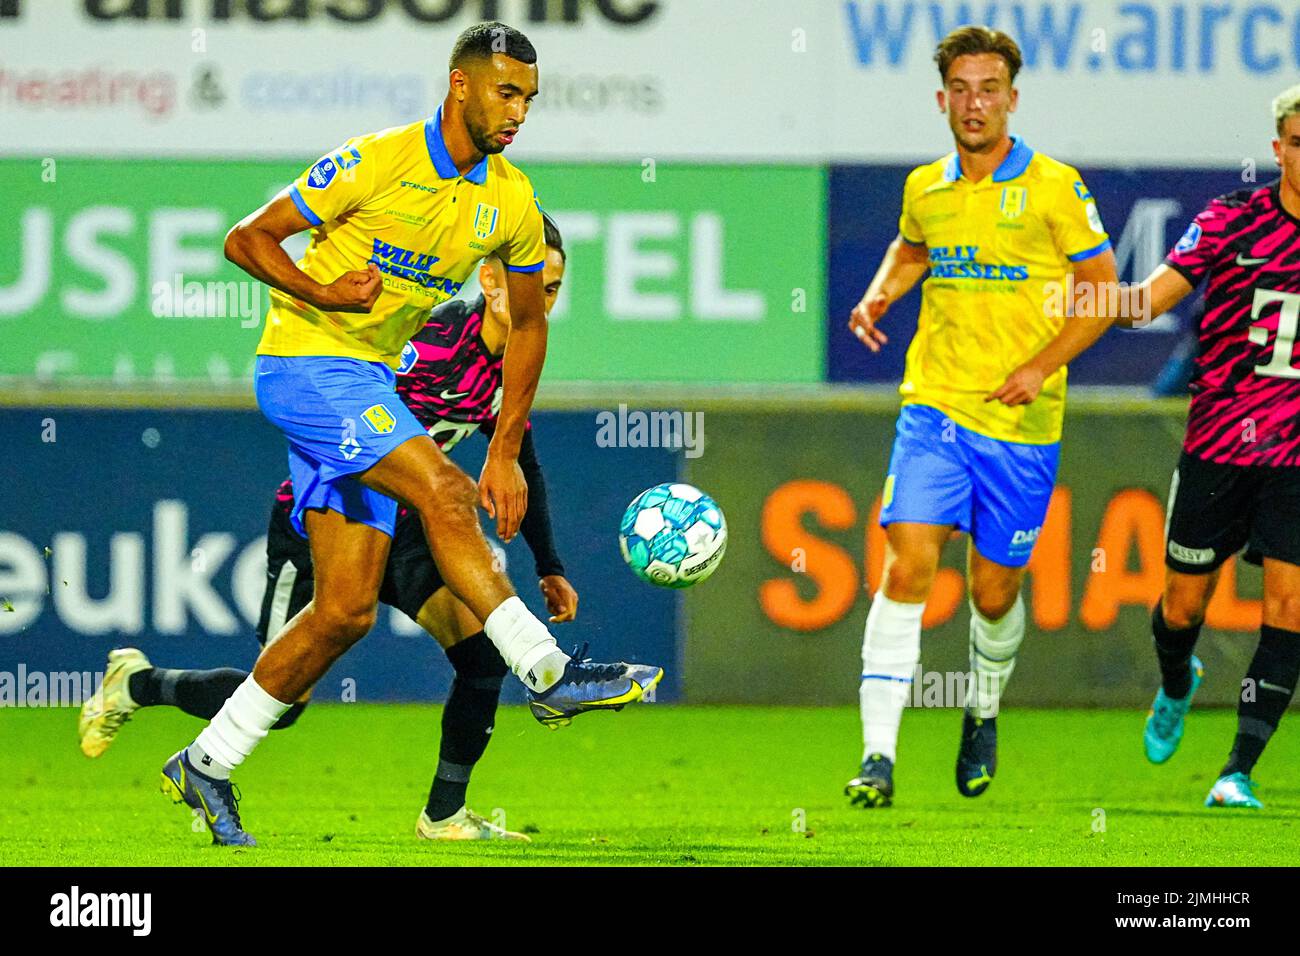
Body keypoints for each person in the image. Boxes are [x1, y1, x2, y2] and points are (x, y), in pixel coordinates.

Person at [158, 21, 660, 846]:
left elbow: (530, 325)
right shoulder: (374, 161)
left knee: (344, 613)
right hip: (306, 365)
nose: (519, 111)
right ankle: (549, 670)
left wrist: (504, 448)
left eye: (529, 98)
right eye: (506, 92)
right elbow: (244, 238)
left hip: (366, 384)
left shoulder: (510, 199)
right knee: (442, 491)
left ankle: (206, 762)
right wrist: (322, 295)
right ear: (459, 84)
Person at [80, 224, 583, 842]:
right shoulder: (429, 339)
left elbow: (518, 465)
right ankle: (137, 683)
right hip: (330, 515)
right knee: (285, 701)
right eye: (531, 283)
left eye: (552, 288)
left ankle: (444, 816)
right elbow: (338, 404)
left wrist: (548, 565)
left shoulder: (511, 367)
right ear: (489, 279)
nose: (541, 298)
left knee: (480, 656)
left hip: (414, 530)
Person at [844, 25, 1118, 807]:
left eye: (988, 89)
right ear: (942, 99)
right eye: (960, 89)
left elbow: (1104, 292)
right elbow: (912, 247)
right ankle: (877, 758)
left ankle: (983, 707)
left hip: (1022, 430)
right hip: (934, 407)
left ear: (1011, 98)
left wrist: (1040, 366)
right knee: (906, 564)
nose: (974, 103)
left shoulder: (1057, 189)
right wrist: (878, 293)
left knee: (993, 595)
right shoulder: (926, 186)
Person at [1129, 83, 1300, 809]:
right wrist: (1079, 297)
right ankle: (1176, 682)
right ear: (1278, 149)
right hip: (1220, 444)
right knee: (1181, 605)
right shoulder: (1233, 220)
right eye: (1299, 141)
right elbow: (1148, 301)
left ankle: (1236, 771)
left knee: (1289, 606)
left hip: (1295, 457)